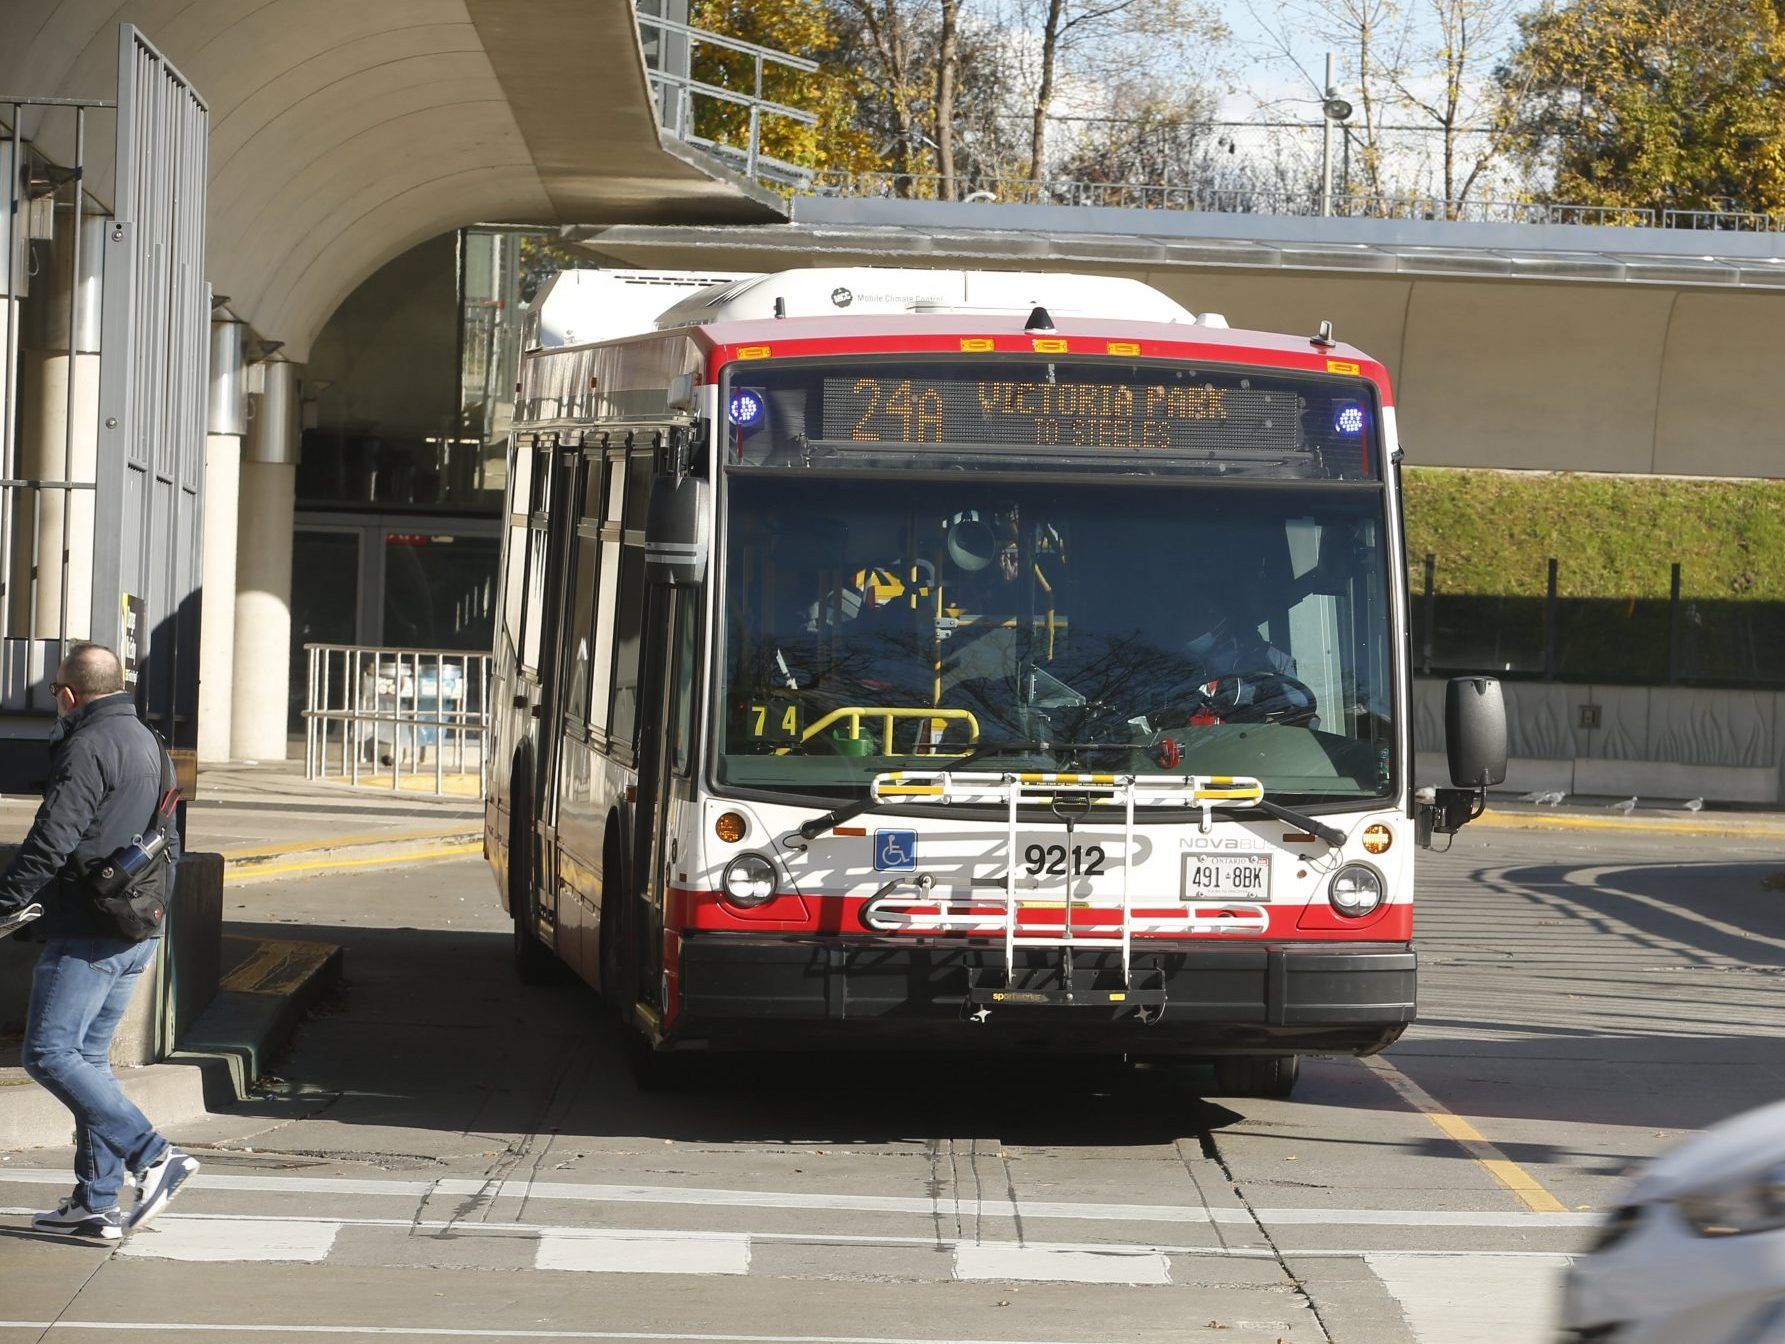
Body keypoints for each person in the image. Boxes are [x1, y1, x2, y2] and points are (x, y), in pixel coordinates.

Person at [0, 644, 197, 1240]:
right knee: (86, 1060)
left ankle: (154, 1155)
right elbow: (170, 838)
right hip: (136, 923)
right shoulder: (149, 740)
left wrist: (7, 902)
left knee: (49, 1053)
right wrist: (150, 913)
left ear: (68, 694)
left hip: (90, 929)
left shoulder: (87, 744)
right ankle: (95, 1202)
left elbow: (52, 838)